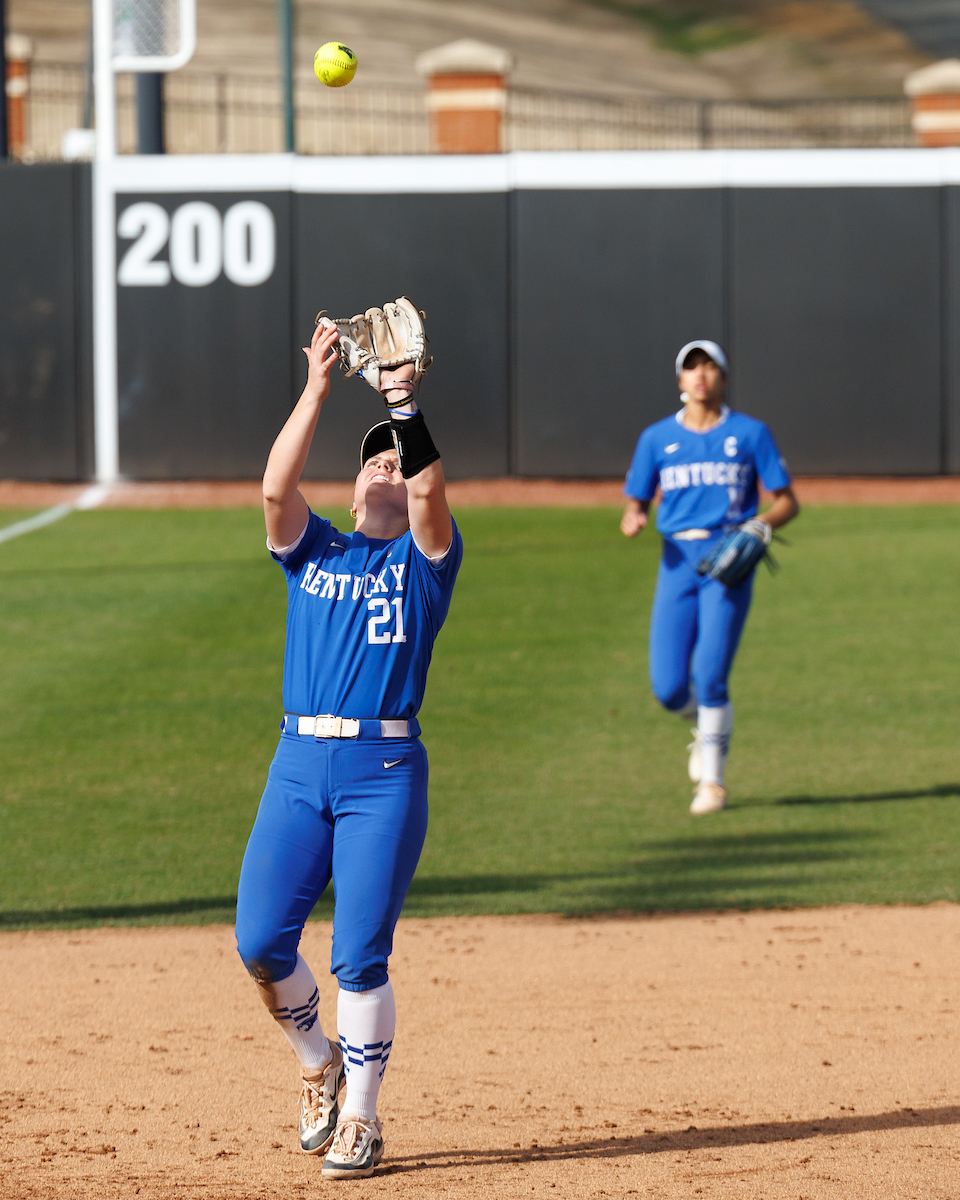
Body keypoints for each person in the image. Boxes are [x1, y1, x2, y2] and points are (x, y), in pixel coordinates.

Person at [234, 316, 462, 1179]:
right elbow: (271, 491)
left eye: (397, 459)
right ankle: (317, 1064)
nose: (386, 466)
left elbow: (435, 496)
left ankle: (363, 1117)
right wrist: (319, 387)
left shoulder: (425, 563)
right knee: (260, 942)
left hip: (384, 771)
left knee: (360, 953)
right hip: (297, 766)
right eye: (374, 457)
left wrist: (403, 402)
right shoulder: (314, 549)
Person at [620, 340, 799, 815]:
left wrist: (762, 523)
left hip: (726, 563)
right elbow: (636, 501)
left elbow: (787, 500)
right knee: (669, 687)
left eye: (709, 366)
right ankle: (707, 729)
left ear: (722, 376)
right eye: (691, 367)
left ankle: (713, 783)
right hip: (677, 563)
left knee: (710, 675)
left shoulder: (750, 433)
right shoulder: (656, 438)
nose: (700, 375)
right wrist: (633, 517)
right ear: (680, 380)